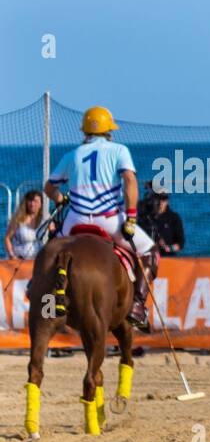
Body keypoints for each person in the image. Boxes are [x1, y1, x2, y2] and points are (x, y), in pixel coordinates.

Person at [44, 106, 158, 330]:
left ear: (85, 131)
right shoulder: (119, 150)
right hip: (109, 219)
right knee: (150, 252)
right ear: (109, 131)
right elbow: (130, 182)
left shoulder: (72, 155)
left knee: (50, 250)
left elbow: (49, 188)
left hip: (76, 220)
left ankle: (41, 293)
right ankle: (137, 306)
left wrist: (60, 200)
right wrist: (132, 218)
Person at [140, 186, 185, 256]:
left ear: (167, 200)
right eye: (158, 198)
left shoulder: (174, 218)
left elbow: (180, 244)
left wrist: (167, 248)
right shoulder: (146, 217)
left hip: (167, 259)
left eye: (164, 198)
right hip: (147, 257)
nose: (161, 202)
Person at [5, 190, 47, 260]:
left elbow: (54, 233)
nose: (32, 204)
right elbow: (7, 238)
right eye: (30, 201)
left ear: (41, 204)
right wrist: (12, 255)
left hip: (38, 260)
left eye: (35, 201)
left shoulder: (45, 219)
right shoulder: (18, 219)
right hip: (19, 258)